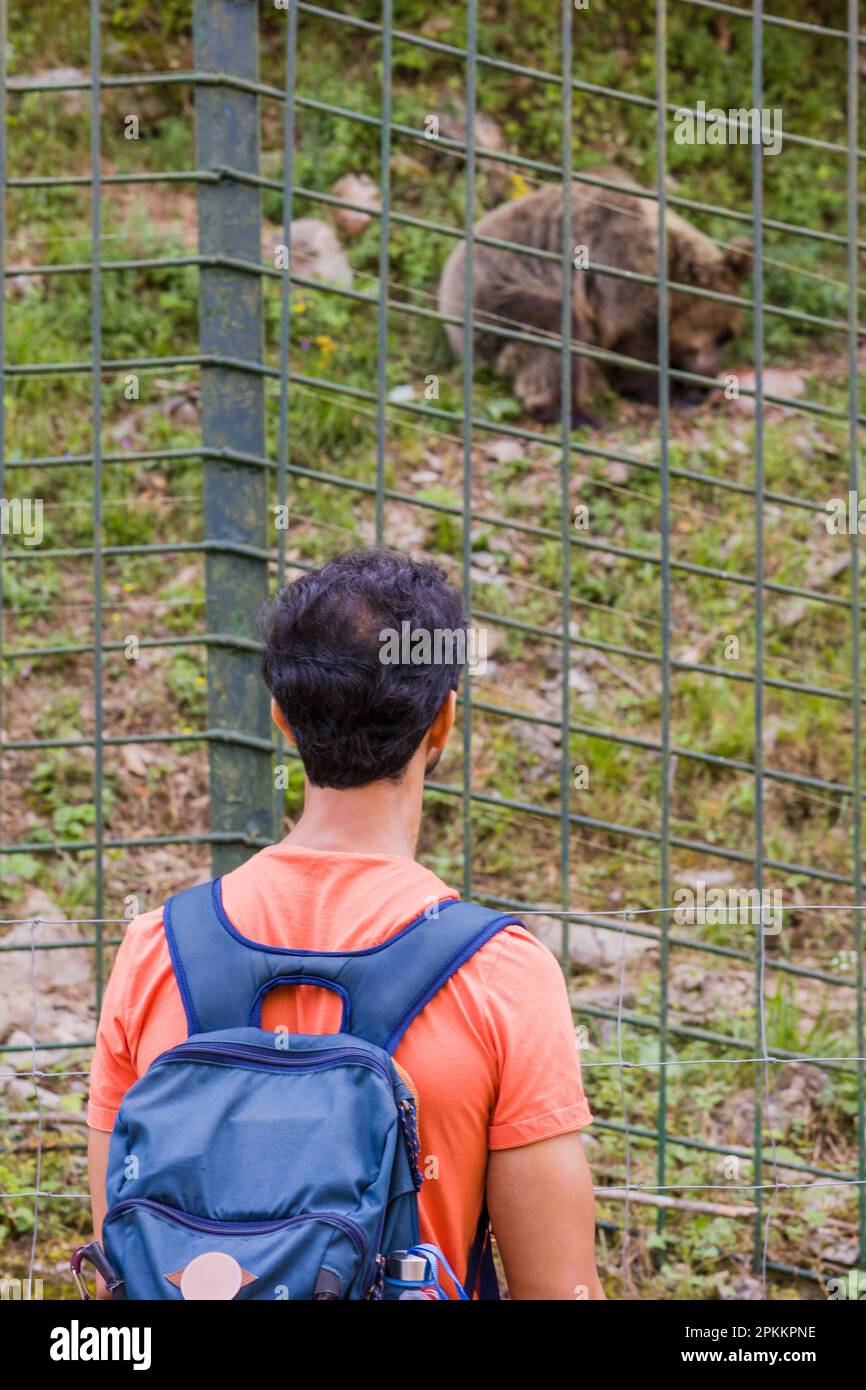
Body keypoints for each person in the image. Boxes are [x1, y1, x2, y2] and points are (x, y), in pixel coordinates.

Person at [87, 547, 603, 1300]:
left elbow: (124, 1255)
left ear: (281, 719)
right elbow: (559, 1292)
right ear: (445, 722)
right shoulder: (502, 975)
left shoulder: (154, 951)